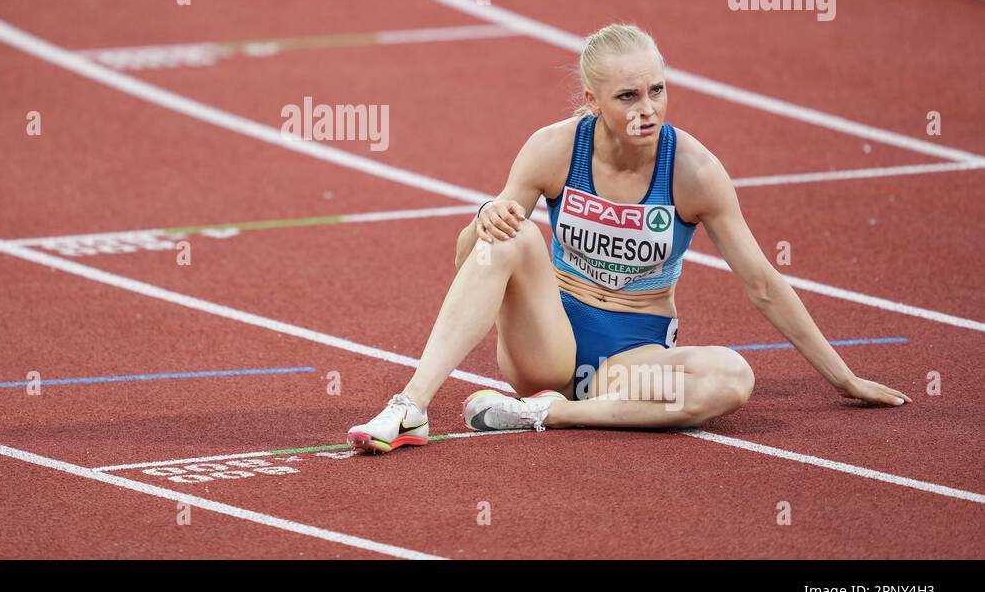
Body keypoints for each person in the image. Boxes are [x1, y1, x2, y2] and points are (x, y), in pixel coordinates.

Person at [347, 23, 910, 453]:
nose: (648, 110)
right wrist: (484, 217)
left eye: (656, 91)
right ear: (592, 100)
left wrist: (844, 376)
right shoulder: (553, 147)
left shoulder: (694, 171)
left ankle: (547, 415)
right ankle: (410, 408)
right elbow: (472, 260)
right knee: (510, 235)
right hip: (549, 341)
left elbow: (761, 284)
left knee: (734, 378)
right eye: (627, 97)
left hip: (630, 360)